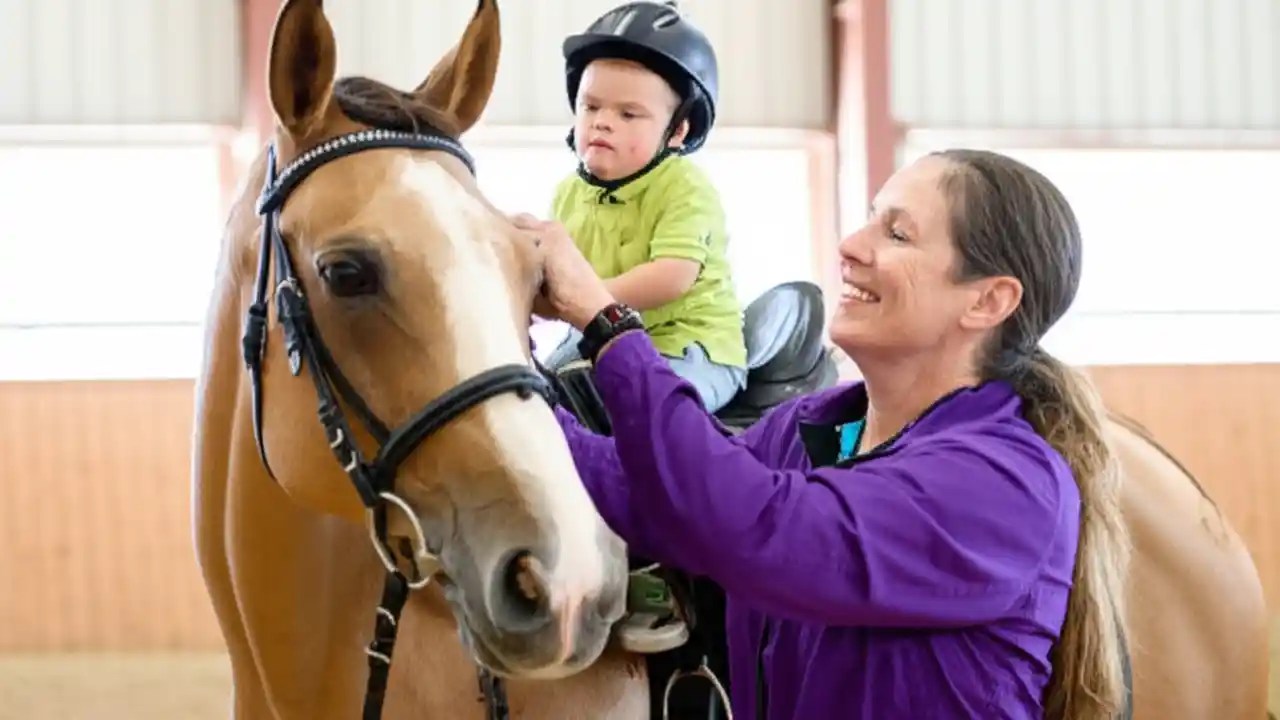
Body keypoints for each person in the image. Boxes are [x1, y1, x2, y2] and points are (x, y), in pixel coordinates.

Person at [517, 149, 1132, 719]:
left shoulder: (1002, 485)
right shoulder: (811, 431)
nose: (851, 245)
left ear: (988, 302)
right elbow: (653, 500)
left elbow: (753, 526)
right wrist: (510, 388)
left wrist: (608, 326)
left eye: (897, 233)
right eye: (869, 219)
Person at [538, 0, 748, 416]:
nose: (601, 122)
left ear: (677, 131)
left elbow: (672, 276)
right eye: (591, 106)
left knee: (650, 409)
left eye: (628, 113)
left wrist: (585, 298)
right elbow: (553, 281)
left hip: (689, 347)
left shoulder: (683, 186)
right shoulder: (568, 194)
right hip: (602, 342)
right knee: (531, 396)